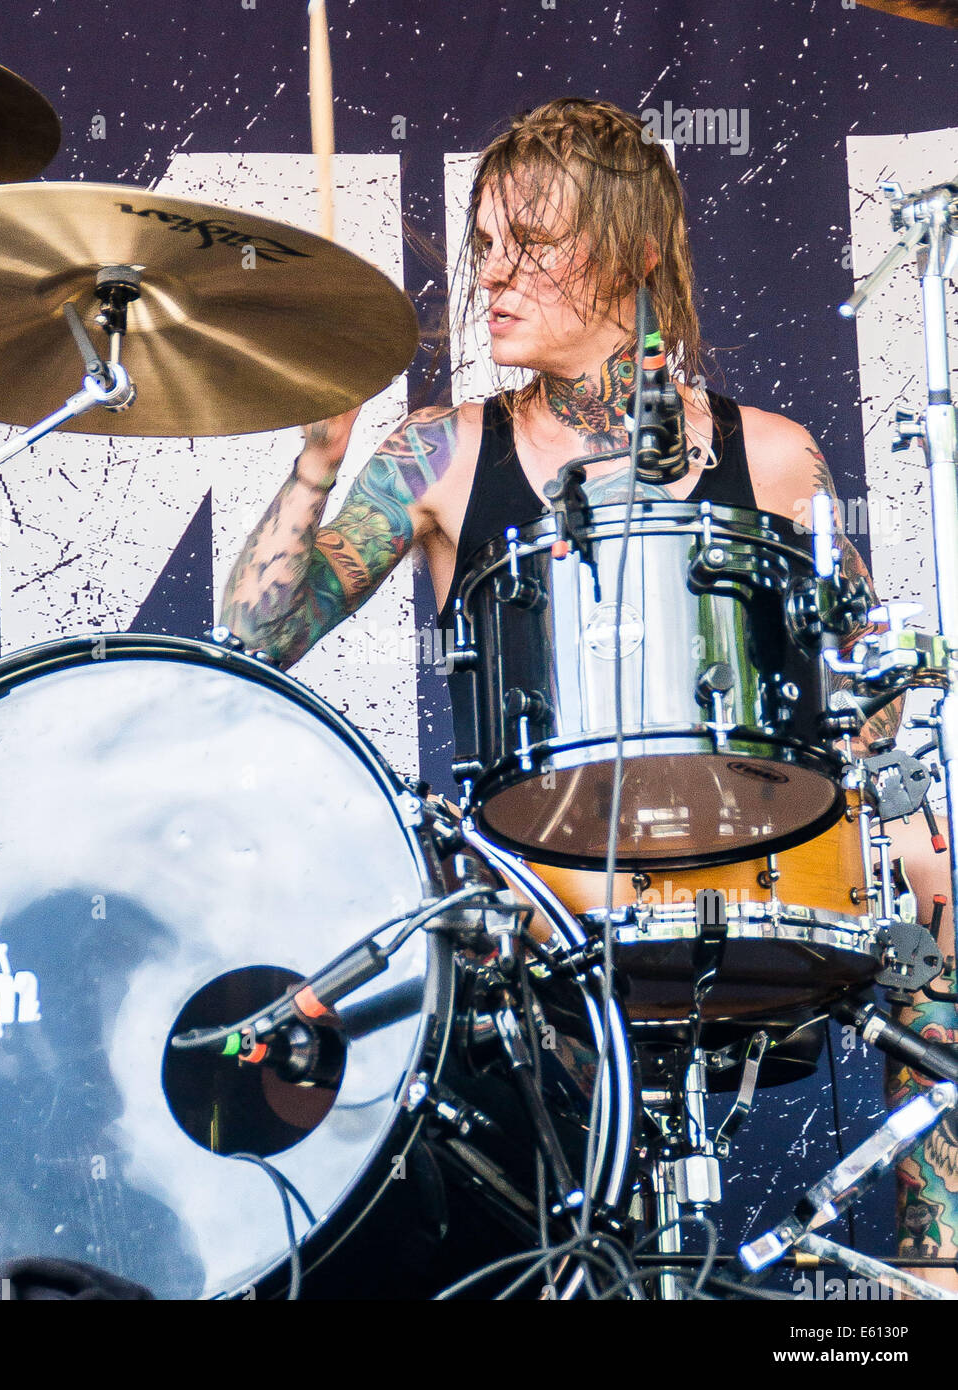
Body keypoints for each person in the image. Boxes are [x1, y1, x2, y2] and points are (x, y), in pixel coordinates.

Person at [218, 96, 956, 1290]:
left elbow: (873, 699)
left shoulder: (772, 455)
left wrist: (903, 800)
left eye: (531, 244)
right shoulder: (439, 452)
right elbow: (254, 646)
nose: (493, 276)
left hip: (745, 871)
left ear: (634, 251)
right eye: (486, 245)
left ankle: (938, 1277)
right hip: (532, 910)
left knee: (936, 888)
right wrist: (314, 456)